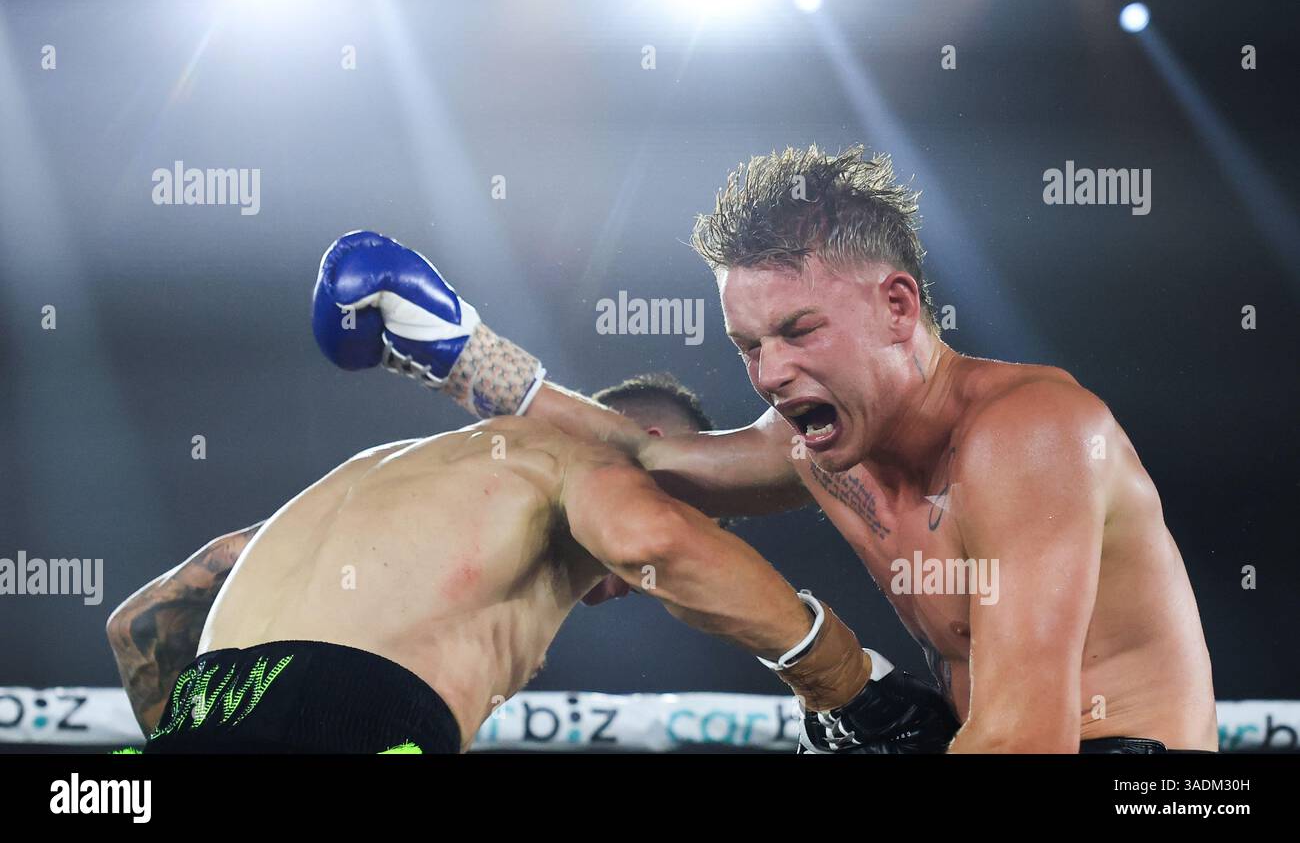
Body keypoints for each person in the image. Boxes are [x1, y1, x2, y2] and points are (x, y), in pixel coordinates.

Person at [312, 144, 1217, 753]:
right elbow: (646, 455)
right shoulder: (819, 443)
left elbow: (1024, 739)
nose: (772, 373)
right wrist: (459, 351)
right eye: (749, 347)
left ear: (897, 307)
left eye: (798, 331)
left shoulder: (1032, 436)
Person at [106, 380, 886, 753]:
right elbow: (656, 543)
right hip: (350, 719)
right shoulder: (580, 453)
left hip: (194, 723)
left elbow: (140, 624)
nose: (624, 593)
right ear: (644, 445)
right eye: (697, 513)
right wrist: (848, 683)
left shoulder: (376, 474)